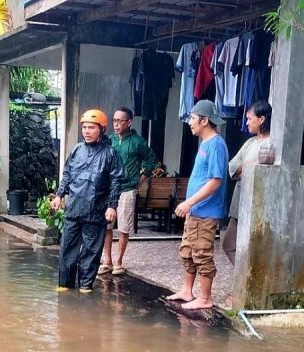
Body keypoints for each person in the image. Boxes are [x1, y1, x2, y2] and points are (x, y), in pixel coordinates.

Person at [51, 109, 123, 293]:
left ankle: (85, 285)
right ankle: (65, 284)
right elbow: (67, 174)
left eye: (91, 127)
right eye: (84, 127)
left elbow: (116, 181)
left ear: (102, 129)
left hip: (96, 210)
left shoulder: (110, 154)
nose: (87, 131)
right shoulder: (76, 150)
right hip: (74, 208)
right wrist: (59, 195)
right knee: (68, 247)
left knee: (91, 250)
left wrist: (112, 206)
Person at [166, 100, 229, 310]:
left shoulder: (217, 144)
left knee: (202, 252)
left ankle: (205, 298)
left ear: (204, 120)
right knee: (188, 250)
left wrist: (189, 201)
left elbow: (215, 181)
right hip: (196, 210)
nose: (189, 122)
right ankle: (187, 290)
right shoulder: (205, 143)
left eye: (192, 118)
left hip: (206, 212)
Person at [100, 107, 158, 276]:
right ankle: (107, 261)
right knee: (106, 226)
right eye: (114, 121)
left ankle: (118, 262)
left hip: (127, 189)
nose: (116, 125)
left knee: (124, 227)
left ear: (129, 122)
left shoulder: (137, 142)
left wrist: (140, 181)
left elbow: (151, 161)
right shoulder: (109, 140)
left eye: (120, 121)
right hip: (110, 189)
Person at [223, 100, 272, 265]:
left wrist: (248, 168)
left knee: (255, 247)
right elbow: (232, 167)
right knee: (229, 244)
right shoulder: (250, 143)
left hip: (259, 204)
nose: (247, 123)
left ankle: (249, 282)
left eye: (250, 118)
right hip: (240, 202)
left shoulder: (272, 143)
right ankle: (245, 279)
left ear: (262, 119)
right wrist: (247, 168)